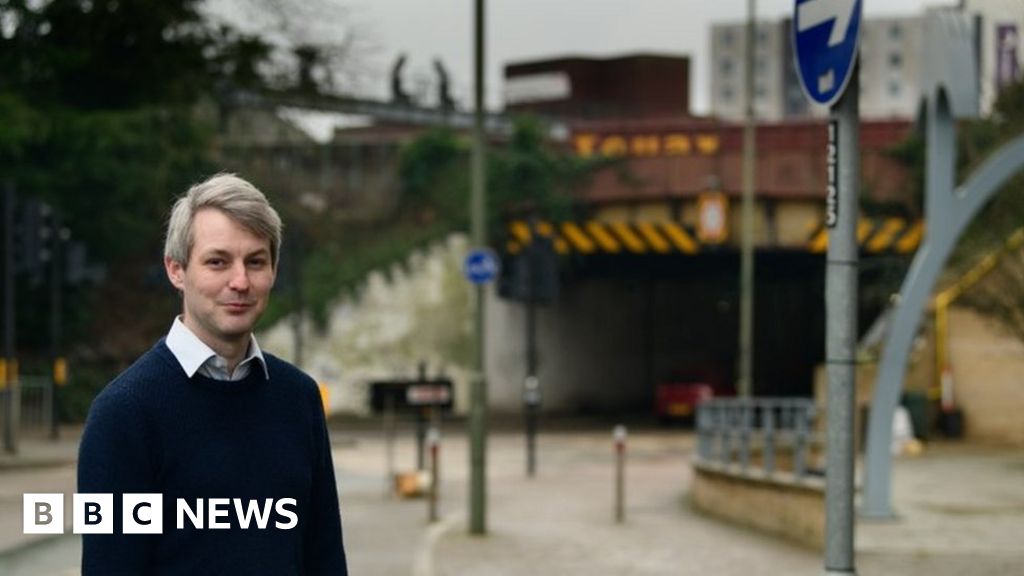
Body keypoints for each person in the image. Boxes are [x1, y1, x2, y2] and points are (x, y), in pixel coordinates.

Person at [78, 173, 348, 575]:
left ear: (273, 271)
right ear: (176, 270)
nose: (240, 282)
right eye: (217, 262)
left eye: (255, 261)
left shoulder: (299, 397)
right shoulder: (124, 414)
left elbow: (324, 558)